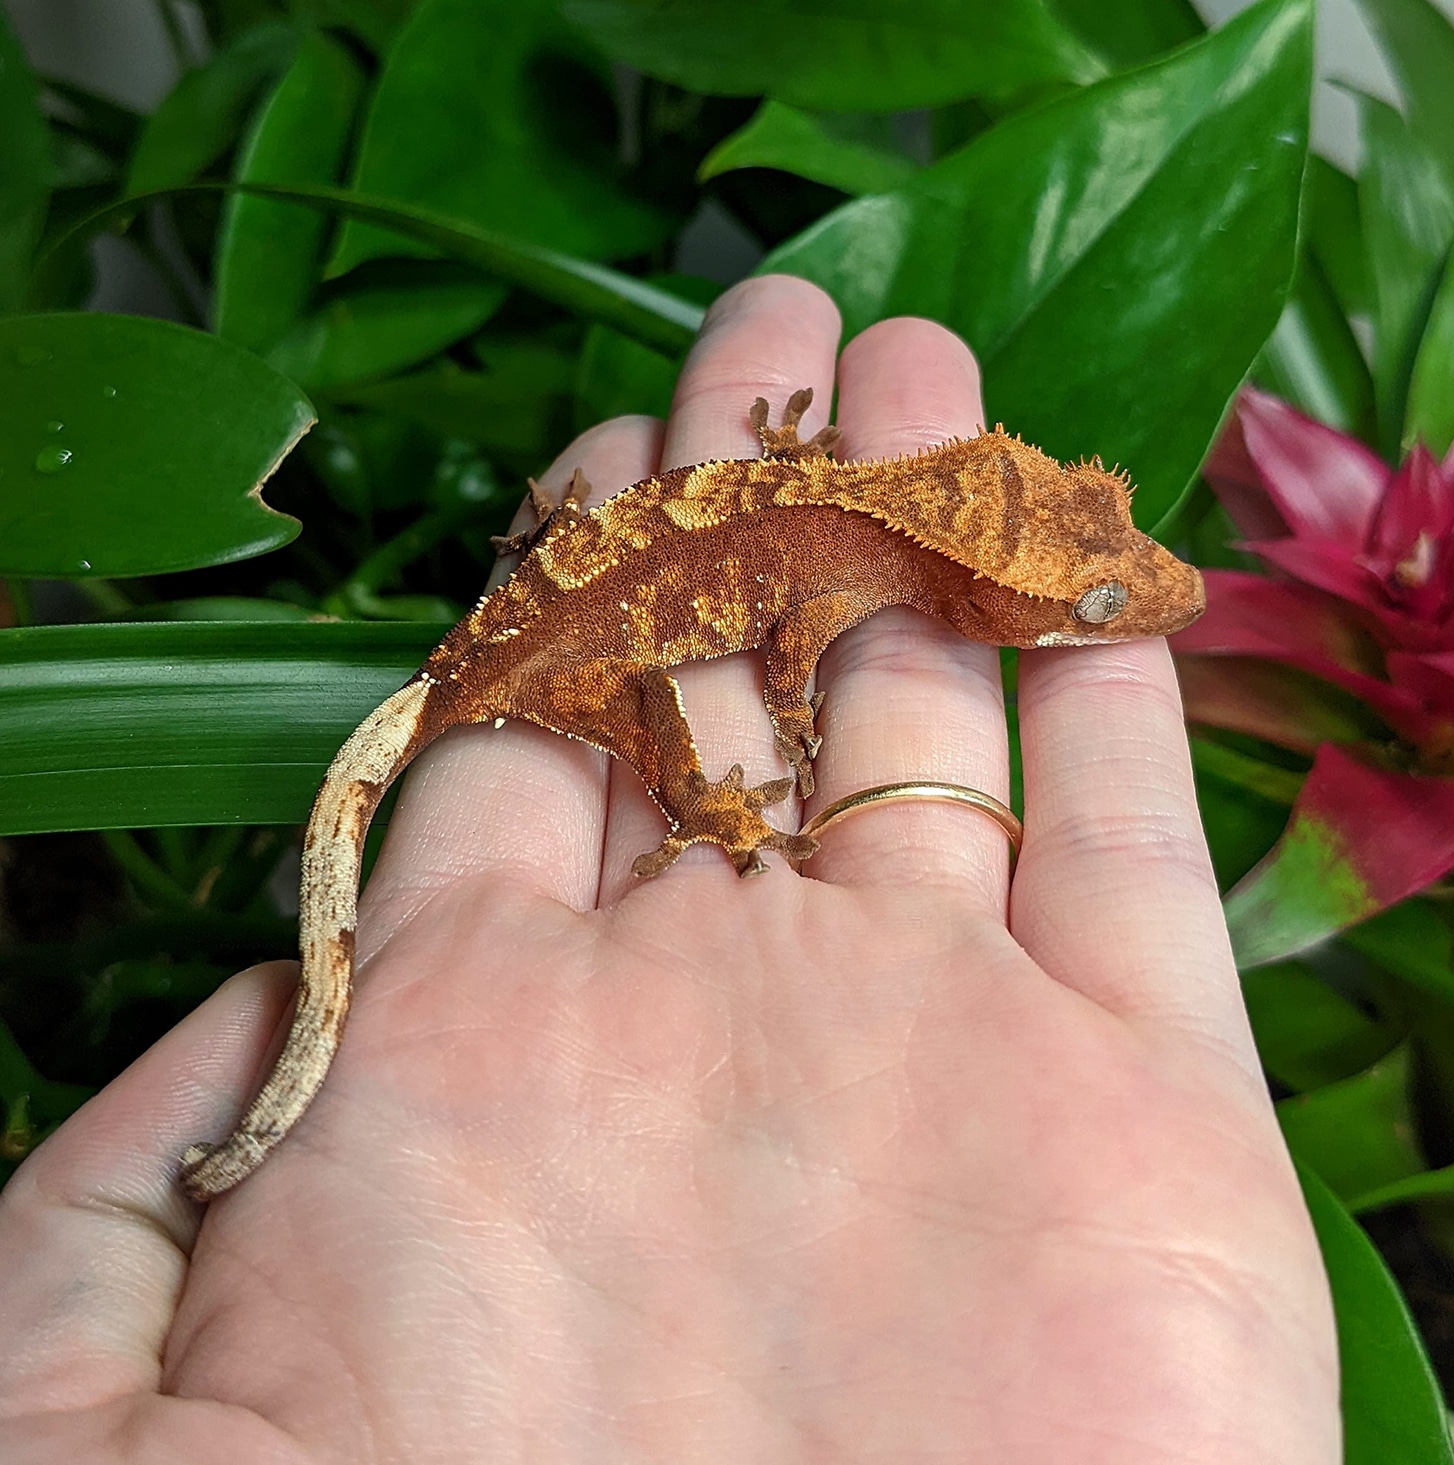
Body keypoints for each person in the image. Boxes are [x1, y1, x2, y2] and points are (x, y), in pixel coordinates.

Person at [0, 277, 1339, 1461]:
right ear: (988, 593)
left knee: (617, 666)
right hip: (550, 651)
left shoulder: (859, 519)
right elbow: (792, 645)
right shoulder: (860, 558)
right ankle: (706, 815)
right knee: (646, 717)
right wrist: (761, 761)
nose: (1149, 596)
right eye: (1098, 602)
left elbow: (790, 576)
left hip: (567, 575)